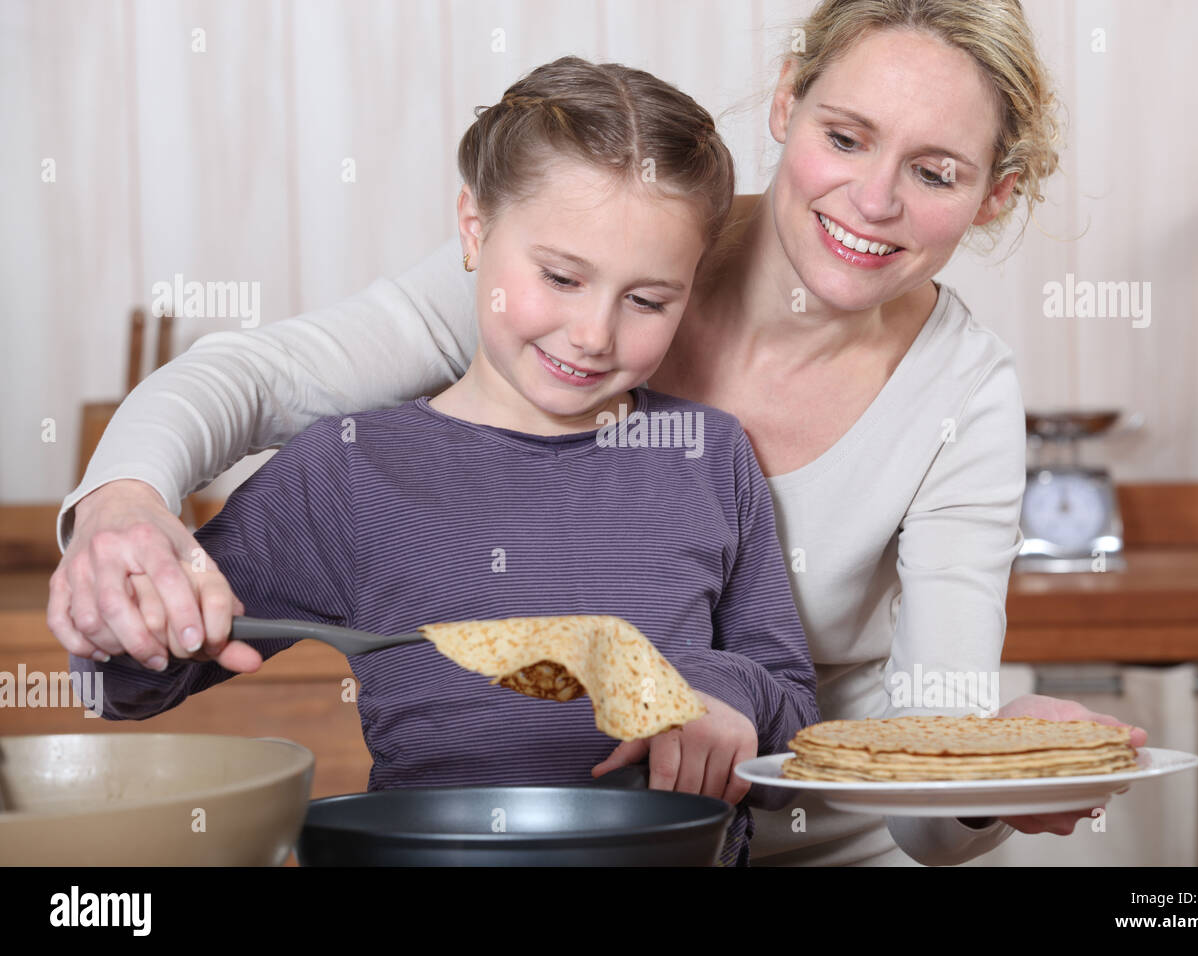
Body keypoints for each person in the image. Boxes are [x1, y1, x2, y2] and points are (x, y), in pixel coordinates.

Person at [50, 0, 1147, 866]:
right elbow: (254, 384)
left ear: (993, 196)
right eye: (846, 135)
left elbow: (874, 736)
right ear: (785, 103)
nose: (872, 198)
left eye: (935, 171)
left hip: (803, 850)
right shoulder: (579, 239)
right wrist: (124, 525)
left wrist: (995, 768)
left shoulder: (826, 428)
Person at [66, 56, 821, 868]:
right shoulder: (350, 471)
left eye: (647, 300)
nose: (595, 333)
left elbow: (790, 707)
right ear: (474, 229)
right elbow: (122, 689)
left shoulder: (709, 458)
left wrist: (725, 702)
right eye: (561, 276)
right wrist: (136, 621)